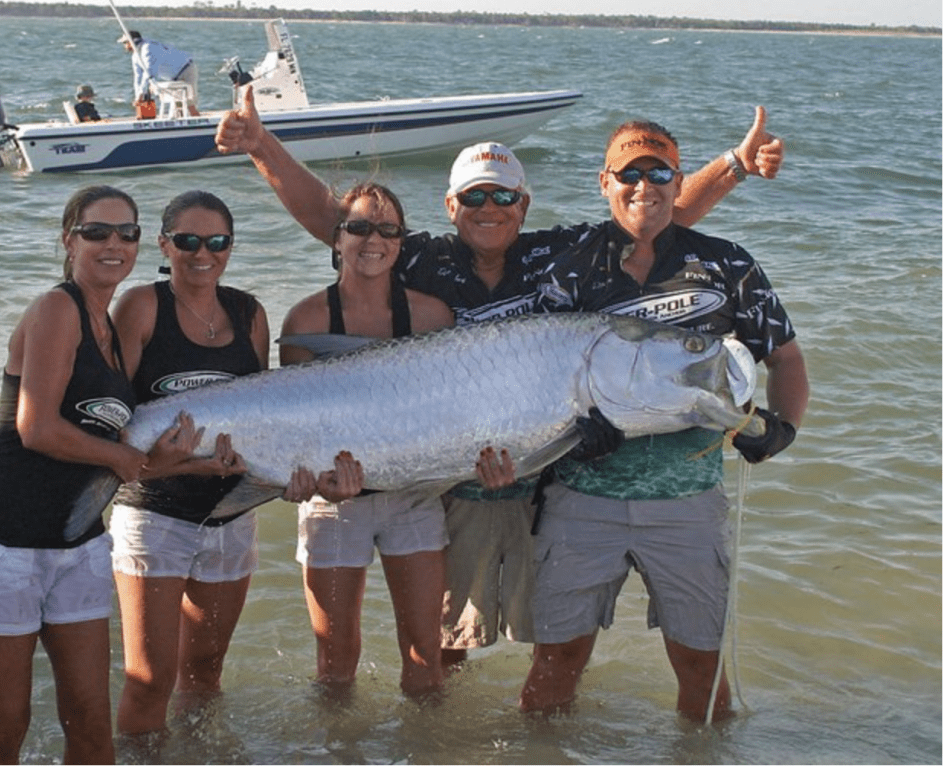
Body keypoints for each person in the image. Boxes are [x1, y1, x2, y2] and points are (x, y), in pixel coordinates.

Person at [214, 86, 784, 671]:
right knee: (446, 643)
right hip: (449, 482)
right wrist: (260, 145)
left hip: (536, 473)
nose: (489, 207)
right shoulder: (422, 258)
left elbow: (654, 213)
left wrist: (733, 167)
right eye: (474, 196)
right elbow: (335, 222)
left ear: (524, 205)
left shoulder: (559, 257)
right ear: (451, 206)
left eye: (503, 196)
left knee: (551, 640)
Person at [517, 121, 809, 722]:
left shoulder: (726, 265)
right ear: (605, 182)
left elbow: (785, 356)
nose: (642, 185)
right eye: (628, 173)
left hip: (689, 502)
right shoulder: (569, 269)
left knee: (702, 670)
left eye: (658, 173)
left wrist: (782, 427)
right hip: (582, 498)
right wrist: (567, 430)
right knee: (555, 663)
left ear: (678, 183)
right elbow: (533, 379)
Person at [0, 185, 201, 764]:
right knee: (6, 725)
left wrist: (187, 460)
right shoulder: (56, 309)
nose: (113, 244)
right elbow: (35, 427)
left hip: (79, 544)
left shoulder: (110, 330)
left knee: (90, 721)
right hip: (2, 542)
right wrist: (120, 459)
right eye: (97, 232)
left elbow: (120, 452)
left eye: (127, 233)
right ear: (69, 241)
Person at [108, 190, 356, 742]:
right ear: (164, 244)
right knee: (149, 679)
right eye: (189, 241)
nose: (203, 254)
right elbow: (112, 418)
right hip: (154, 512)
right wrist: (168, 465)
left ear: (230, 247)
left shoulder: (249, 312)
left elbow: (262, 414)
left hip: (228, 517)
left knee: (204, 671)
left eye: (217, 242)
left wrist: (293, 475)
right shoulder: (141, 306)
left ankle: (195, 756)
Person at [278, 182, 458, 699]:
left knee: (426, 656)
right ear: (336, 239)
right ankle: (339, 751)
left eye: (387, 230)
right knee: (335, 663)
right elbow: (294, 425)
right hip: (333, 506)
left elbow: (445, 414)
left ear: (402, 242)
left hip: (414, 500)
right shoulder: (307, 320)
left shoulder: (431, 317)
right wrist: (311, 482)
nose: (372, 239)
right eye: (358, 227)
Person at [119, 30, 199, 116]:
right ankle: (181, 122)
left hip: (186, 69)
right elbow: (137, 77)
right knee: (178, 108)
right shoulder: (135, 56)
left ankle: (198, 124)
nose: (124, 46)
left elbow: (149, 72)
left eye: (125, 43)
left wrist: (141, 94)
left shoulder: (148, 48)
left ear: (132, 42)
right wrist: (138, 96)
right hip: (173, 78)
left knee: (189, 104)